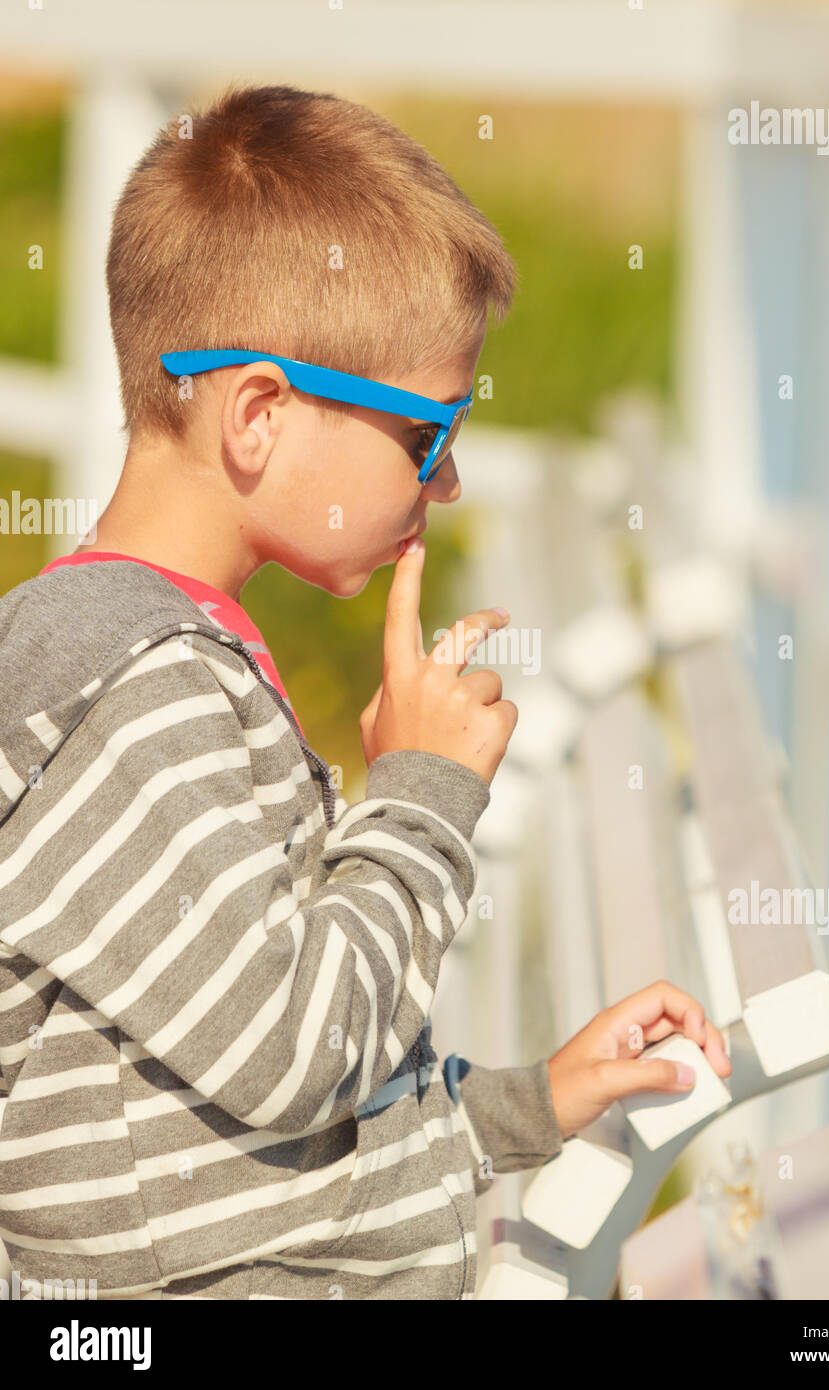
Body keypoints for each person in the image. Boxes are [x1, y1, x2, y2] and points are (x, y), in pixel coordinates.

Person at [0, 84, 730, 1300]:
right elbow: (294, 1054)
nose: (444, 486)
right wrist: (425, 794)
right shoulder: (131, 692)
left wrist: (522, 1103)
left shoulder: (154, 658)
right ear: (260, 416)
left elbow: (234, 1130)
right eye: (428, 435)